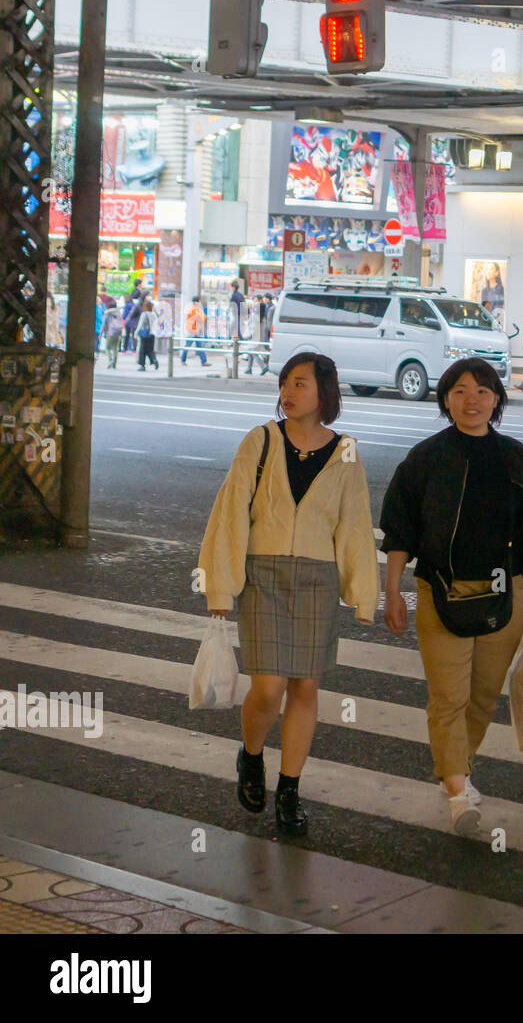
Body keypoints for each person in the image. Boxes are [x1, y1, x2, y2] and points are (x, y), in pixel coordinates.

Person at [198, 353, 379, 835]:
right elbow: (230, 513)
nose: (289, 392)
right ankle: (252, 755)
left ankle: (290, 789)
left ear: (325, 393)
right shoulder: (259, 441)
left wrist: (363, 592)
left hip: (317, 579)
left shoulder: (345, 452)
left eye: (300, 384)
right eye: (285, 383)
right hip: (265, 575)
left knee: (305, 687)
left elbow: (356, 526)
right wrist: (220, 584)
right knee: (268, 687)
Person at [379, 357, 523, 835]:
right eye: (458, 390)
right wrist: (392, 589)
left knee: (482, 698)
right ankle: (458, 789)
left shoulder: (516, 458)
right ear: (445, 399)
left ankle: (457, 766)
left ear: (496, 399)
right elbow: (399, 529)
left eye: (480, 391)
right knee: (448, 697)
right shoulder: (425, 459)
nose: (470, 400)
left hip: (504, 596)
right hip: (440, 593)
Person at [181, 296, 209, 366]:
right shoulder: (192, 309)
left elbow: (203, 318)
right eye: (199, 301)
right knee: (188, 345)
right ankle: (183, 360)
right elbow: (200, 318)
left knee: (200, 346)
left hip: (197, 331)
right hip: (192, 331)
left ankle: (204, 361)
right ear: (197, 302)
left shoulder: (198, 309)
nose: (200, 303)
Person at [135, 298, 159, 370]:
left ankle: (142, 365)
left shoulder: (144, 314)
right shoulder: (154, 314)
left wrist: (136, 332)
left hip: (145, 334)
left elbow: (140, 324)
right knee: (150, 349)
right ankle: (154, 360)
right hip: (152, 334)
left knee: (142, 350)